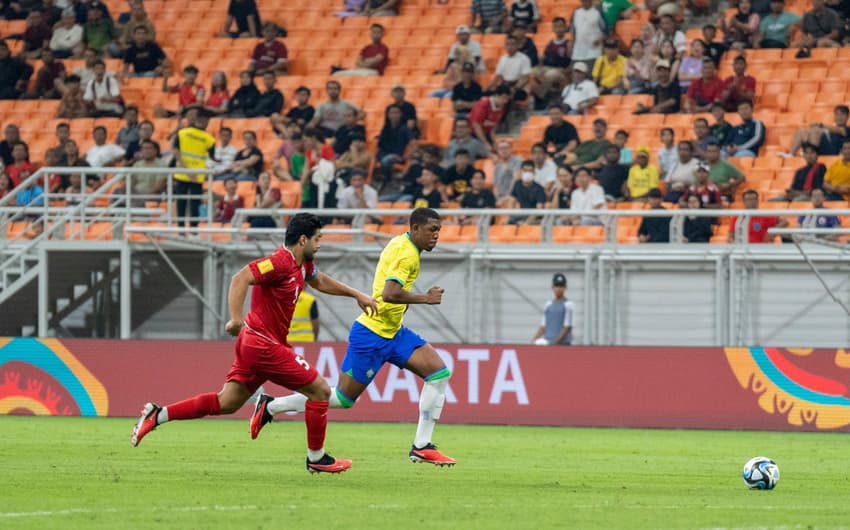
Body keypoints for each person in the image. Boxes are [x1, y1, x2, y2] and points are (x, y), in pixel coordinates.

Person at [132, 214, 377, 475]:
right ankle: (316, 457)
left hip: (256, 344)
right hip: (263, 344)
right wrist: (235, 319)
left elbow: (320, 280)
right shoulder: (280, 262)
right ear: (303, 239)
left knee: (226, 402)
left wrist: (356, 294)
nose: (319, 244)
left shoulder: (302, 264)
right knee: (320, 391)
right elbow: (240, 278)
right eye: (317, 239)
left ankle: (158, 415)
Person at [255, 209, 457, 467]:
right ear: (415, 229)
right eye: (431, 230)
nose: (436, 236)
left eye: (438, 230)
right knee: (342, 399)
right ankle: (271, 406)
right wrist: (424, 298)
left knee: (438, 374)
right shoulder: (407, 254)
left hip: (393, 332)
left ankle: (422, 446)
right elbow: (390, 293)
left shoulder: (402, 243)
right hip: (372, 334)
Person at [173, 110, 216, 228]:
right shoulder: (208, 139)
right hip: (193, 175)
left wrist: (186, 169)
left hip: (190, 174)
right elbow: (175, 151)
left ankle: (187, 229)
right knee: (188, 202)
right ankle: (188, 229)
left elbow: (176, 151)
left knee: (189, 203)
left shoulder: (183, 133)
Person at [531, 273, 574, 346]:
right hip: (548, 343)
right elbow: (543, 325)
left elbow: (567, 327)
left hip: (563, 345)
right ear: (552, 287)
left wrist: (555, 343)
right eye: (557, 286)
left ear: (565, 287)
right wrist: (534, 339)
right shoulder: (548, 304)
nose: (559, 289)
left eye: (561, 286)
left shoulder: (568, 304)